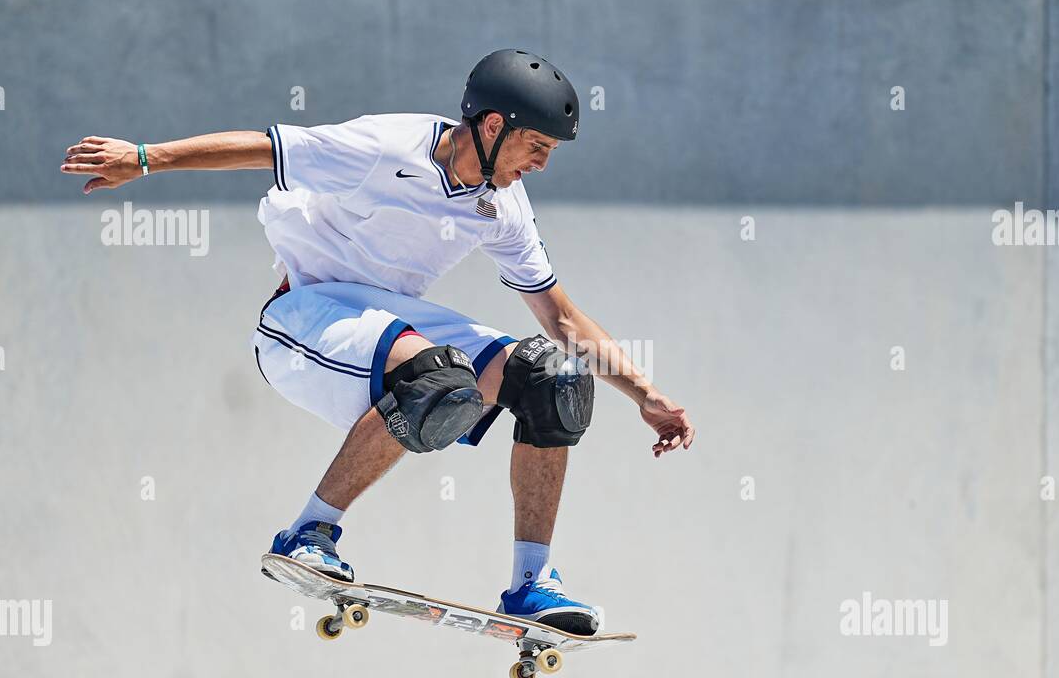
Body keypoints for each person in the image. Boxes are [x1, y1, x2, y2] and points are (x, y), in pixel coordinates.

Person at [61, 48, 694, 635]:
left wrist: (646, 395)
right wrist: (143, 158)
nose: (541, 163)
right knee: (439, 381)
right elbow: (263, 147)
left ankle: (532, 583)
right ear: (493, 125)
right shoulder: (385, 145)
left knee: (552, 379)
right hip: (303, 318)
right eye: (535, 145)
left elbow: (558, 316)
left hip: (392, 319)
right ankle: (309, 532)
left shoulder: (504, 207)